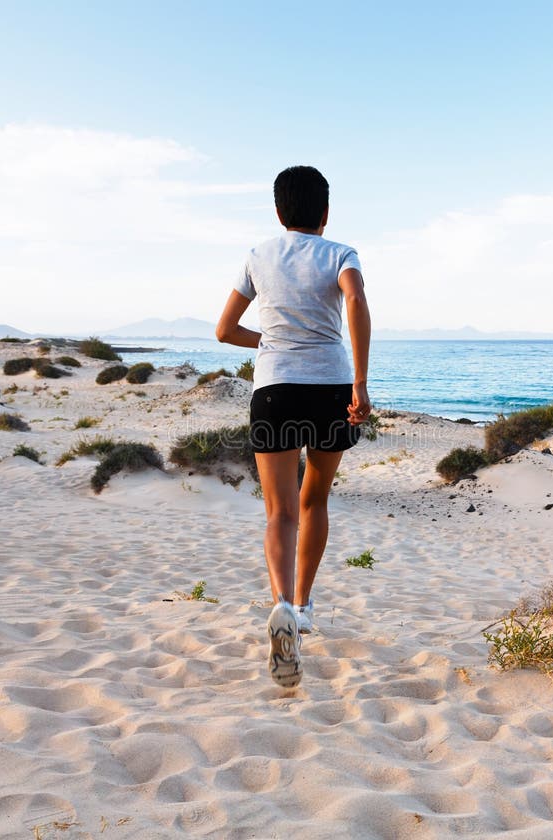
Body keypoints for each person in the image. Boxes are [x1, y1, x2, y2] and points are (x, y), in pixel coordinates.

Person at [216, 165, 371, 688]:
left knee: (279, 511)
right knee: (314, 500)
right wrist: (360, 383)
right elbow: (355, 300)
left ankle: (282, 603)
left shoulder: (259, 256)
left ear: (279, 213)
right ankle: (302, 609)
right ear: (325, 213)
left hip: (275, 390)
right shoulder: (340, 254)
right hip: (329, 389)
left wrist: (266, 341)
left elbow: (224, 330)